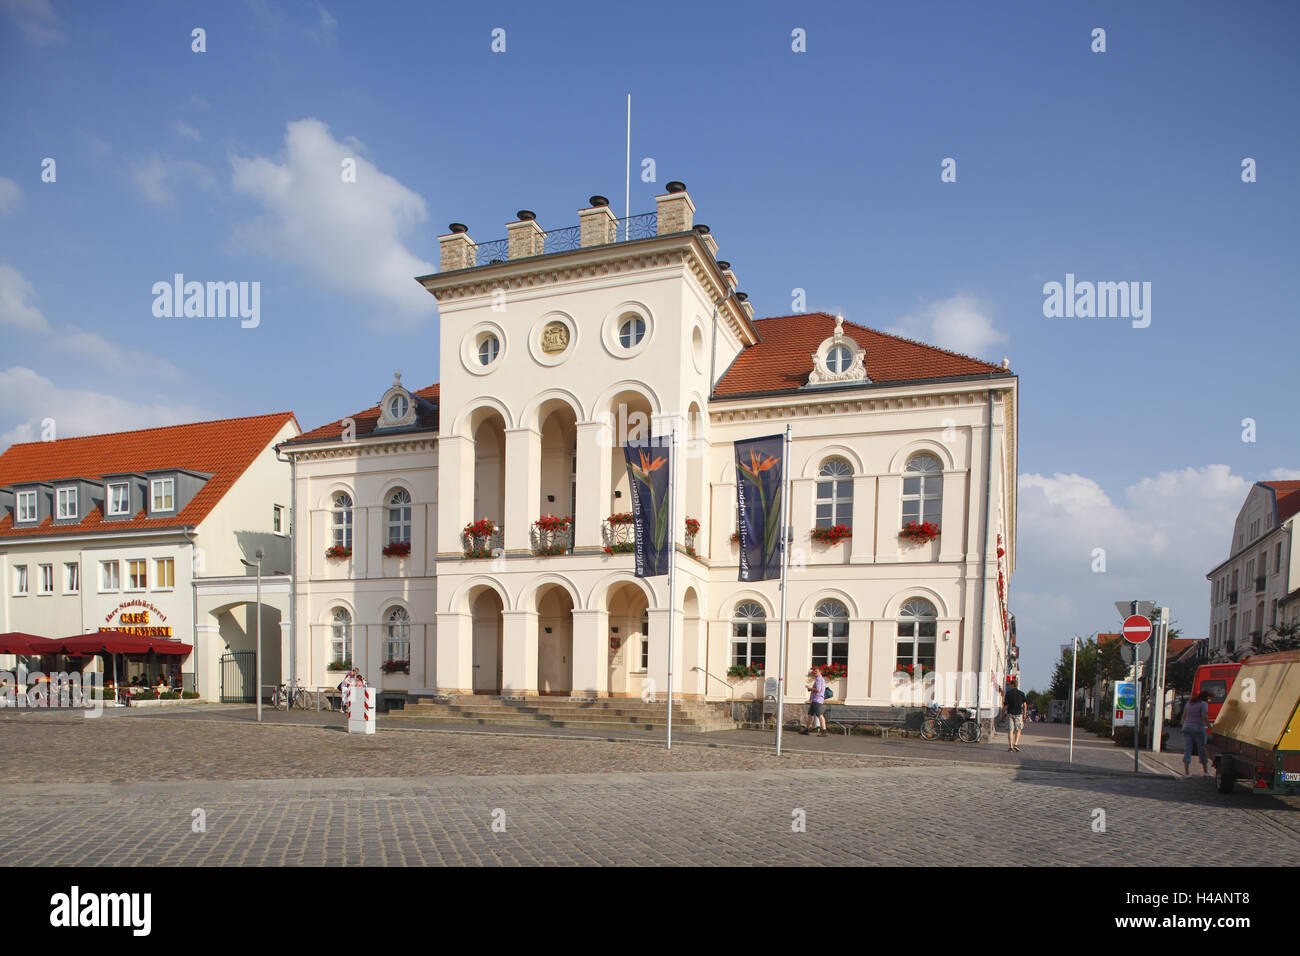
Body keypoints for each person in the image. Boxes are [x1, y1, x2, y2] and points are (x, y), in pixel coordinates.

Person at [1181, 690, 1212, 776]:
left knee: (1188, 749)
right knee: (1202, 749)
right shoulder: (1203, 704)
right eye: (1209, 698)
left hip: (1187, 728)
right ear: (1205, 698)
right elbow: (1205, 718)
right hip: (1198, 728)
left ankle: (1187, 773)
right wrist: (1211, 728)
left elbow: (1184, 716)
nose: (1210, 700)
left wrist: (1184, 725)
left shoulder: (1189, 703)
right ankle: (1205, 772)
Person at [800, 666, 828, 737]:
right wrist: (811, 689)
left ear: (820, 672)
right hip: (815, 700)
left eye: (816, 671)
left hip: (817, 700)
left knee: (820, 715)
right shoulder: (820, 679)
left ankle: (824, 731)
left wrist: (810, 688)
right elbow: (817, 689)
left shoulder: (819, 679)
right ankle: (807, 730)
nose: (814, 672)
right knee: (810, 715)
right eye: (814, 671)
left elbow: (818, 690)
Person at [1004, 677, 1027, 752]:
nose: (1010, 686)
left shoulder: (1008, 694)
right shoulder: (1021, 693)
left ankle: (1010, 747)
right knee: (1018, 729)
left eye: (1010, 684)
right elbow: (1024, 704)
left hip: (1010, 714)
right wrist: (1025, 713)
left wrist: (1003, 713)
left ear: (1013, 685)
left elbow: (1006, 705)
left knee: (1011, 730)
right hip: (1019, 714)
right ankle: (1016, 744)